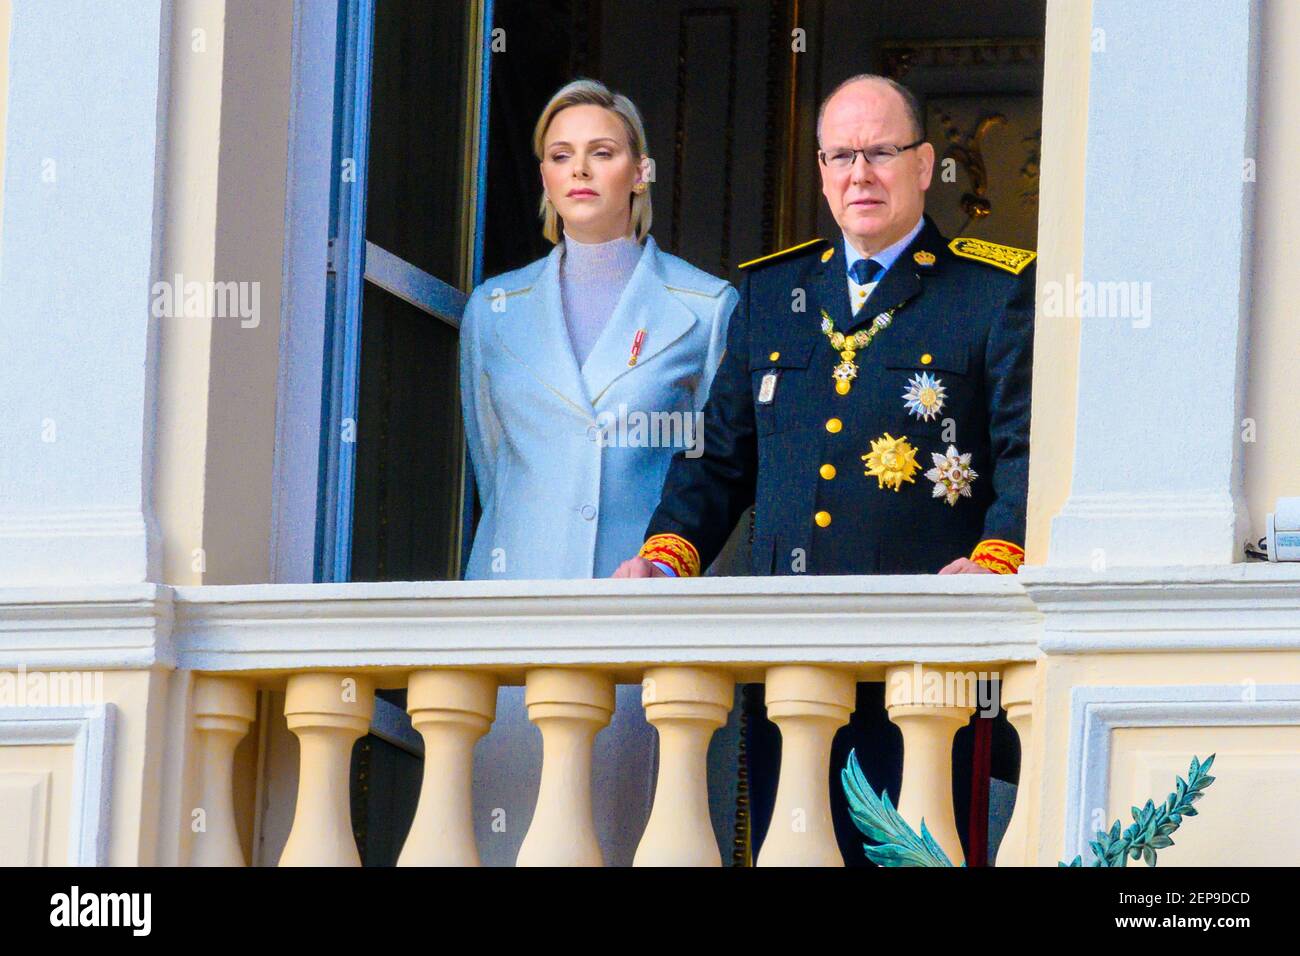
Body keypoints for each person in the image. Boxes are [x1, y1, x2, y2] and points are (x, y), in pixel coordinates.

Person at [613, 74, 1035, 864]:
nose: (859, 174)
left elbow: (1023, 452)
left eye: (880, 152)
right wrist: (669, 555)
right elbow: (720, 455)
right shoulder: (773, 293)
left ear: (924, 164)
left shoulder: (990, 293)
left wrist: (995, 558)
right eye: (840, 155)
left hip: (925, 661)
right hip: (788, 662)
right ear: (819, 170)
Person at [459, 79, 738, 865]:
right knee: (505, 831)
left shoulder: (705, 306)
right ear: (545, 177)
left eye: (602, 152)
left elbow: (714, 476)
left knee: (627, 837)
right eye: (560, 155)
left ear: (640, 172)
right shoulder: (494, 309)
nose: (580, 169)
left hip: (641, 619)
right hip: (513, 617)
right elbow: (495, 469)